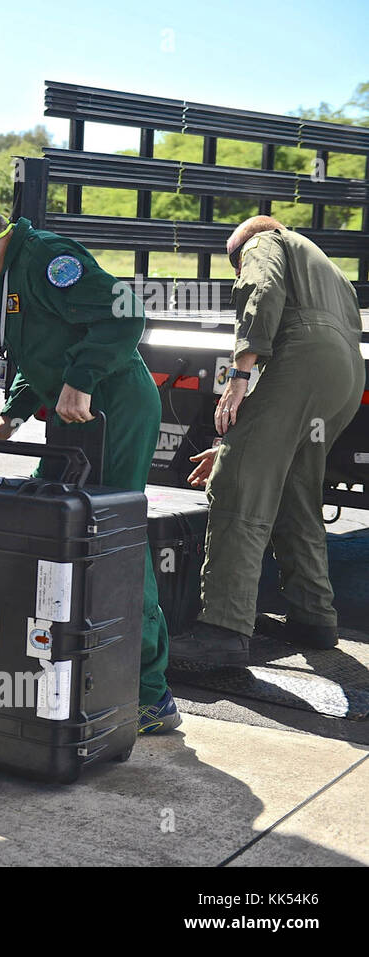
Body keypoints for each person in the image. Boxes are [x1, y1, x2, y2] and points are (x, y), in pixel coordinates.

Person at [0, 191, 179, 735]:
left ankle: (151, 695)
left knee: (114, 535)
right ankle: (71, 662)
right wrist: (12, 416)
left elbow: (126, 314)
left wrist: (81, 380)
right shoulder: (7, 276)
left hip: (113, 405)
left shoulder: (46, 261)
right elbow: (37, 351)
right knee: (55, 522)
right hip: (72, 413)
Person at [175, 217, 365, 665]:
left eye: (233, 264)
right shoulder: (328, 269)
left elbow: (261, 291)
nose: (237, 272)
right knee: (296, 489)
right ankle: (313, 617)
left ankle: (222, 627)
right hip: (346, 376)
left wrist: (240, 374)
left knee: (239, 481)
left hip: (305, 357)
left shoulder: (263, 242)